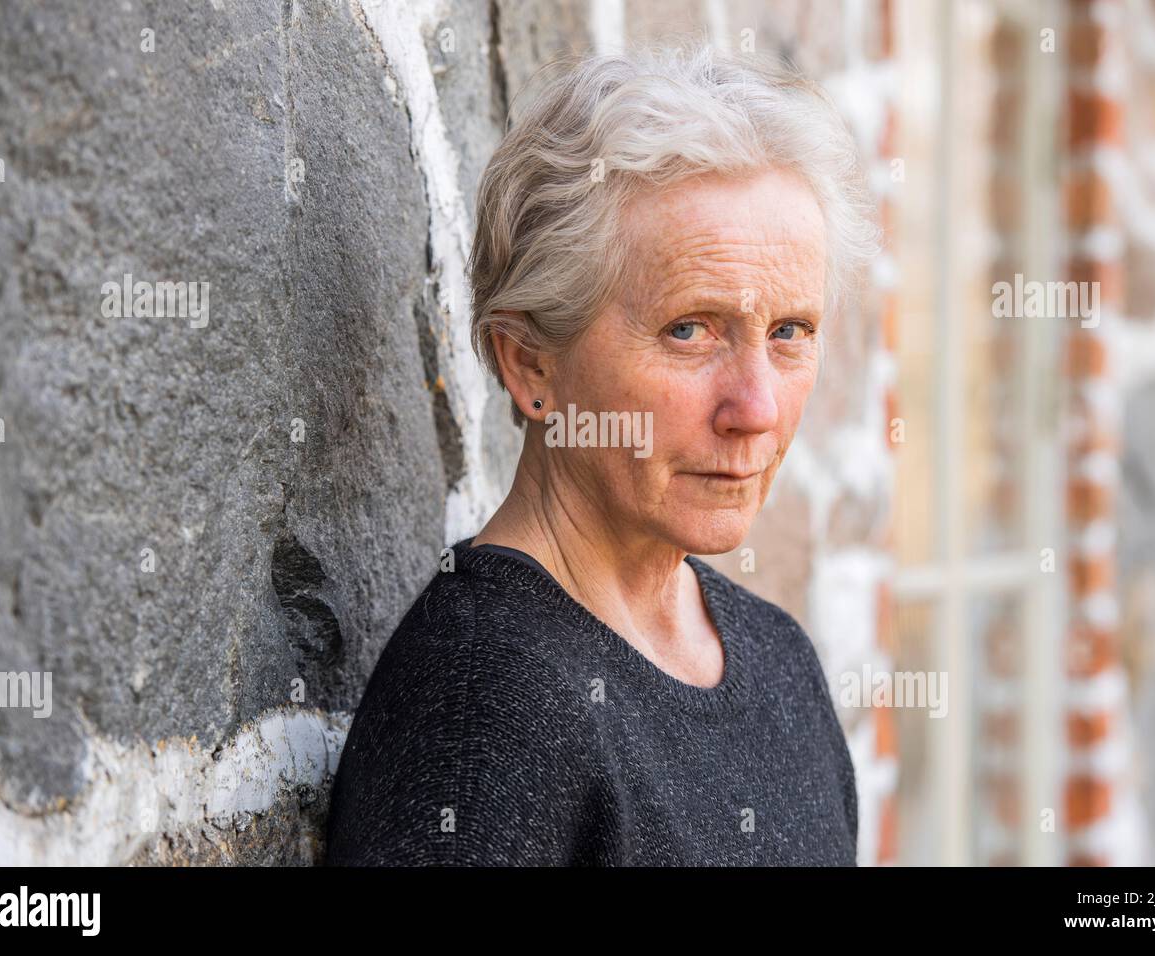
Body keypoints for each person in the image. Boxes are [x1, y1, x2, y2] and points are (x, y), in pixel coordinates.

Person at [326, 42, 879, 866]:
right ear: (531, 364)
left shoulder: (777, 660)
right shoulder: (486, 703)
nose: (757, 409)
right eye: (689, 330)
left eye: (789, 332)